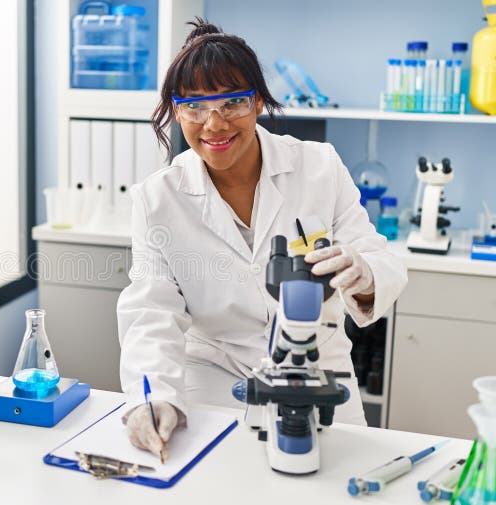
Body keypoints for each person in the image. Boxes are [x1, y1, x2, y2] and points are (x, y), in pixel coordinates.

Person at [117, 19, 407, 459]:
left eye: (232, 102)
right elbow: (150, 310)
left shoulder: (319, 166)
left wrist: (362, 272)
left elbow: (375, 256)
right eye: (194, 106)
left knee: (340, 477)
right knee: (214, 479)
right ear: (177, 112)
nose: (214, 123)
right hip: (213, 371)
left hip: (318, 368)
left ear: (257, 102)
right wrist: (150, 395)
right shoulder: (157, 199)